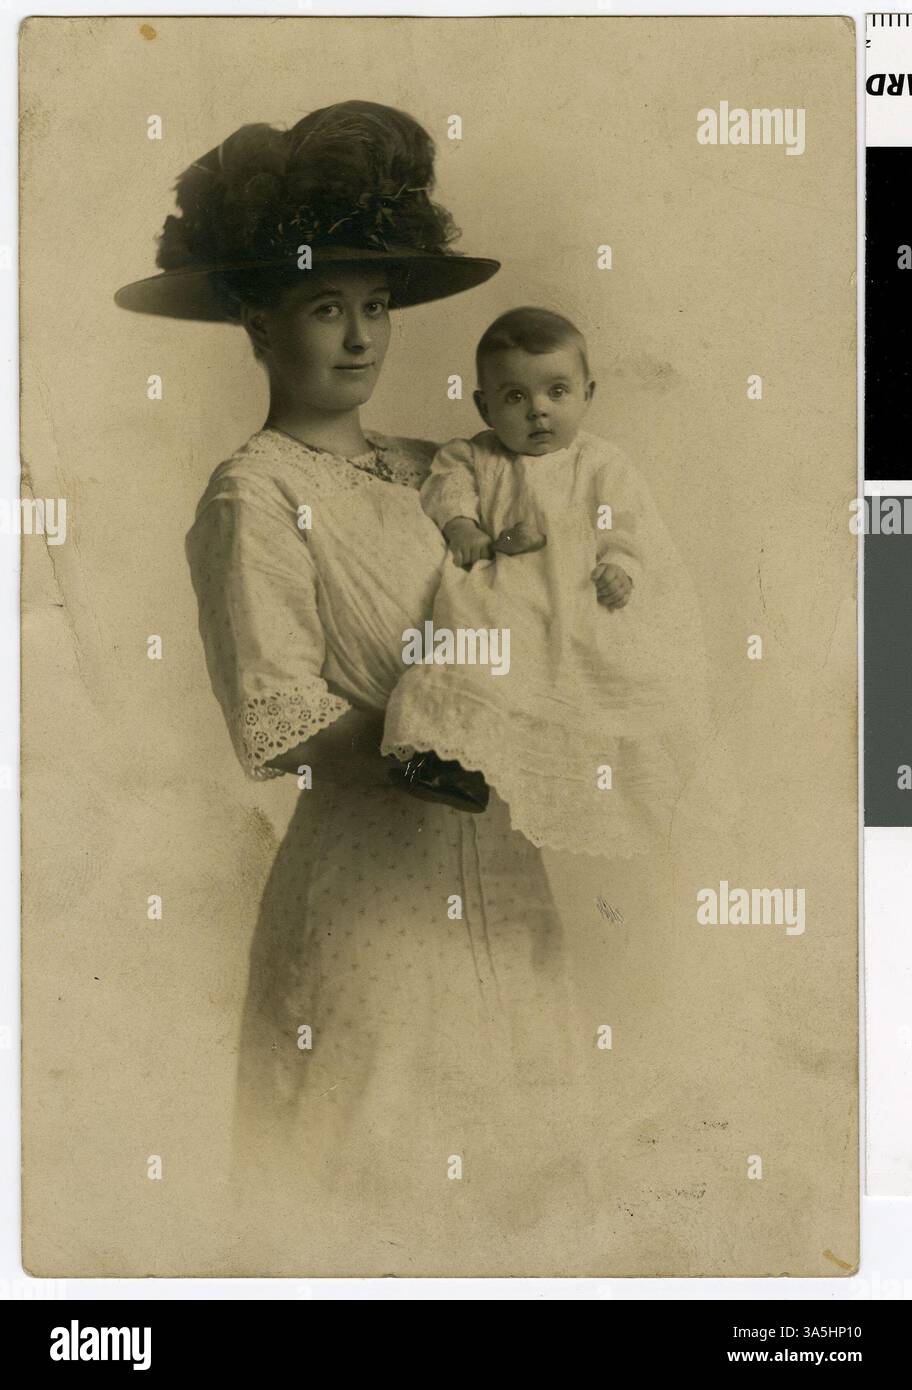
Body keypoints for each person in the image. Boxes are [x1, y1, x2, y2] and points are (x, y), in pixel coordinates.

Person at [115, 101, 600, 1271]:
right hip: (369, 892)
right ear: (256, 321)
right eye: (324, 305)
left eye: (374, 304)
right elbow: (280, 712)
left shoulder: (449, 467)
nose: (359, 336)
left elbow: (551, 595)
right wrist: (442, 734)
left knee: (535, 1194)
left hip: (505, 869)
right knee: (369, 1202)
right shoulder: (255, 493)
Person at [382, 306, 712, 860]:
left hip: (575, 596)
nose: (538, 410)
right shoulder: (476, 455)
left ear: (587, 393)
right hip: (504, 590)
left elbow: (629, 524)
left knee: (597, 675)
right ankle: (450, 764)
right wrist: (462, 524)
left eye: (556, 392)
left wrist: (620, 567)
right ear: (484, 405)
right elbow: (446, 484)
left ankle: (590, 781)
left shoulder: (601, 464)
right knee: (469, 656)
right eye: (514, 397)